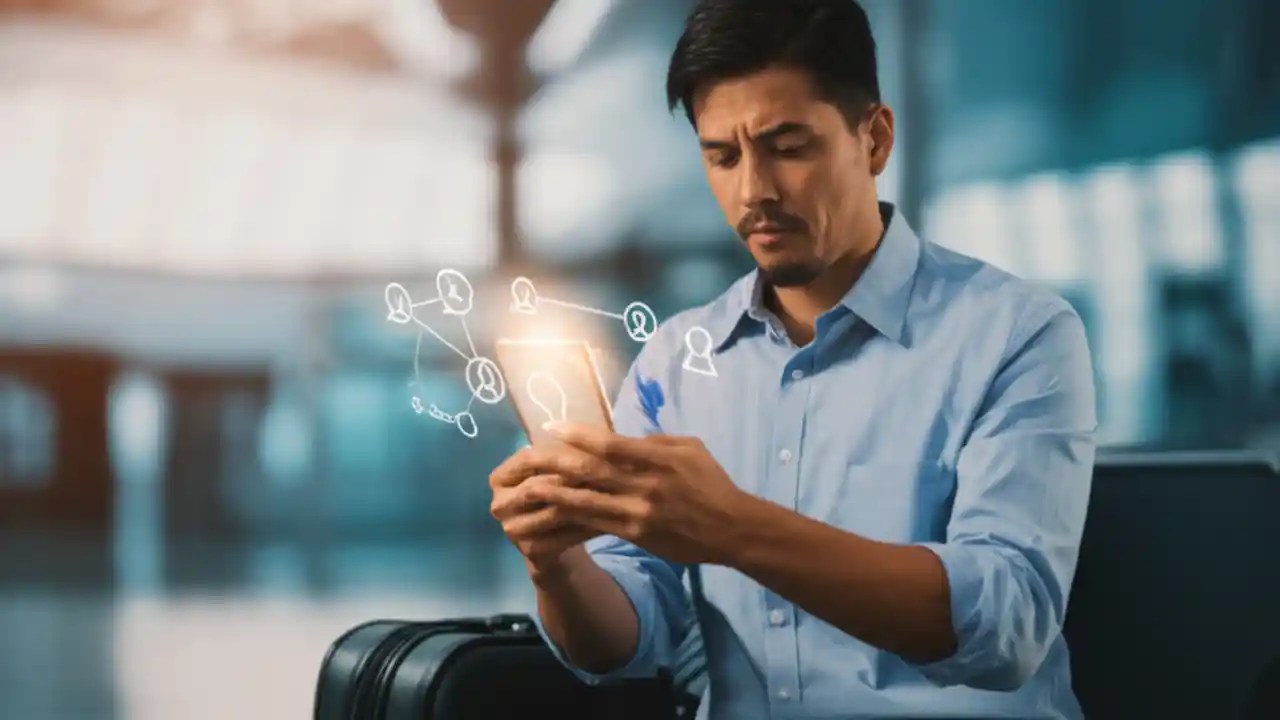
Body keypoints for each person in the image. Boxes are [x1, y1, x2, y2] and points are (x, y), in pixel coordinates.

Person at [488, 1, 1097, 717]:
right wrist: (556, 563)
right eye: (723, 155)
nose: (755, 191)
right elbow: (627, 639)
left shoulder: (1018, 333)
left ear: (874, 139)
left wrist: (731, 526)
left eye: (789, 146)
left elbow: (1008, 624)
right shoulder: (678, 361)